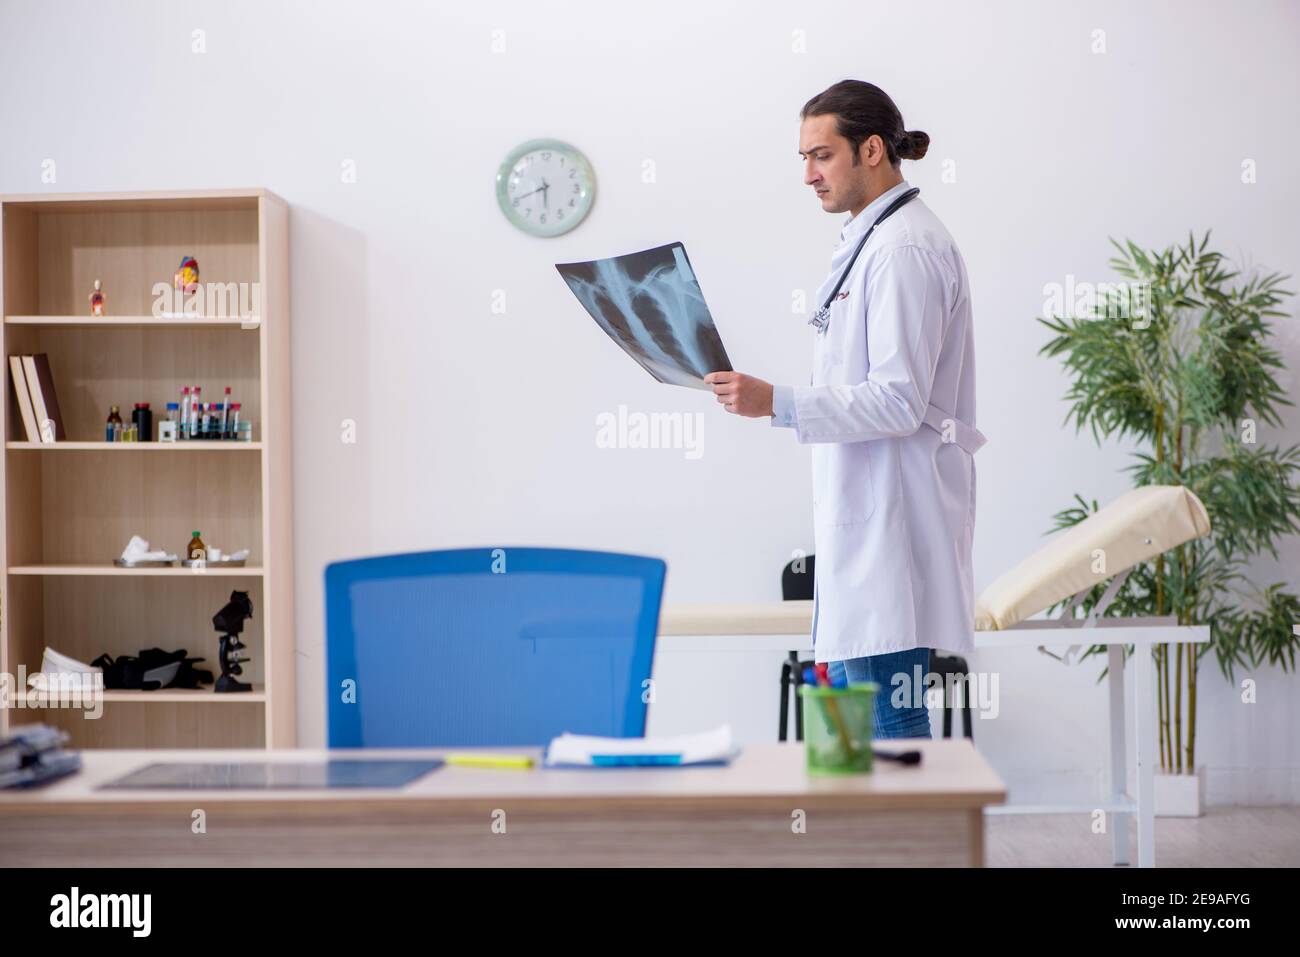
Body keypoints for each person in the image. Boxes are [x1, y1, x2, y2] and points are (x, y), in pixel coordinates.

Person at [704, 79, 985, 739]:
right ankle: (889, 841)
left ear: (873, 151)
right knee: (874, 713)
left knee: (893, 713)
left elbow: (898, 399)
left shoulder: (904, 249)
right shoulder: (874, 241)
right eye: (803, 158)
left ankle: (911, 845)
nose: (808, 174)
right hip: (869, 519)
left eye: (821, 155)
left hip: (895, 522)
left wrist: (778, 402)